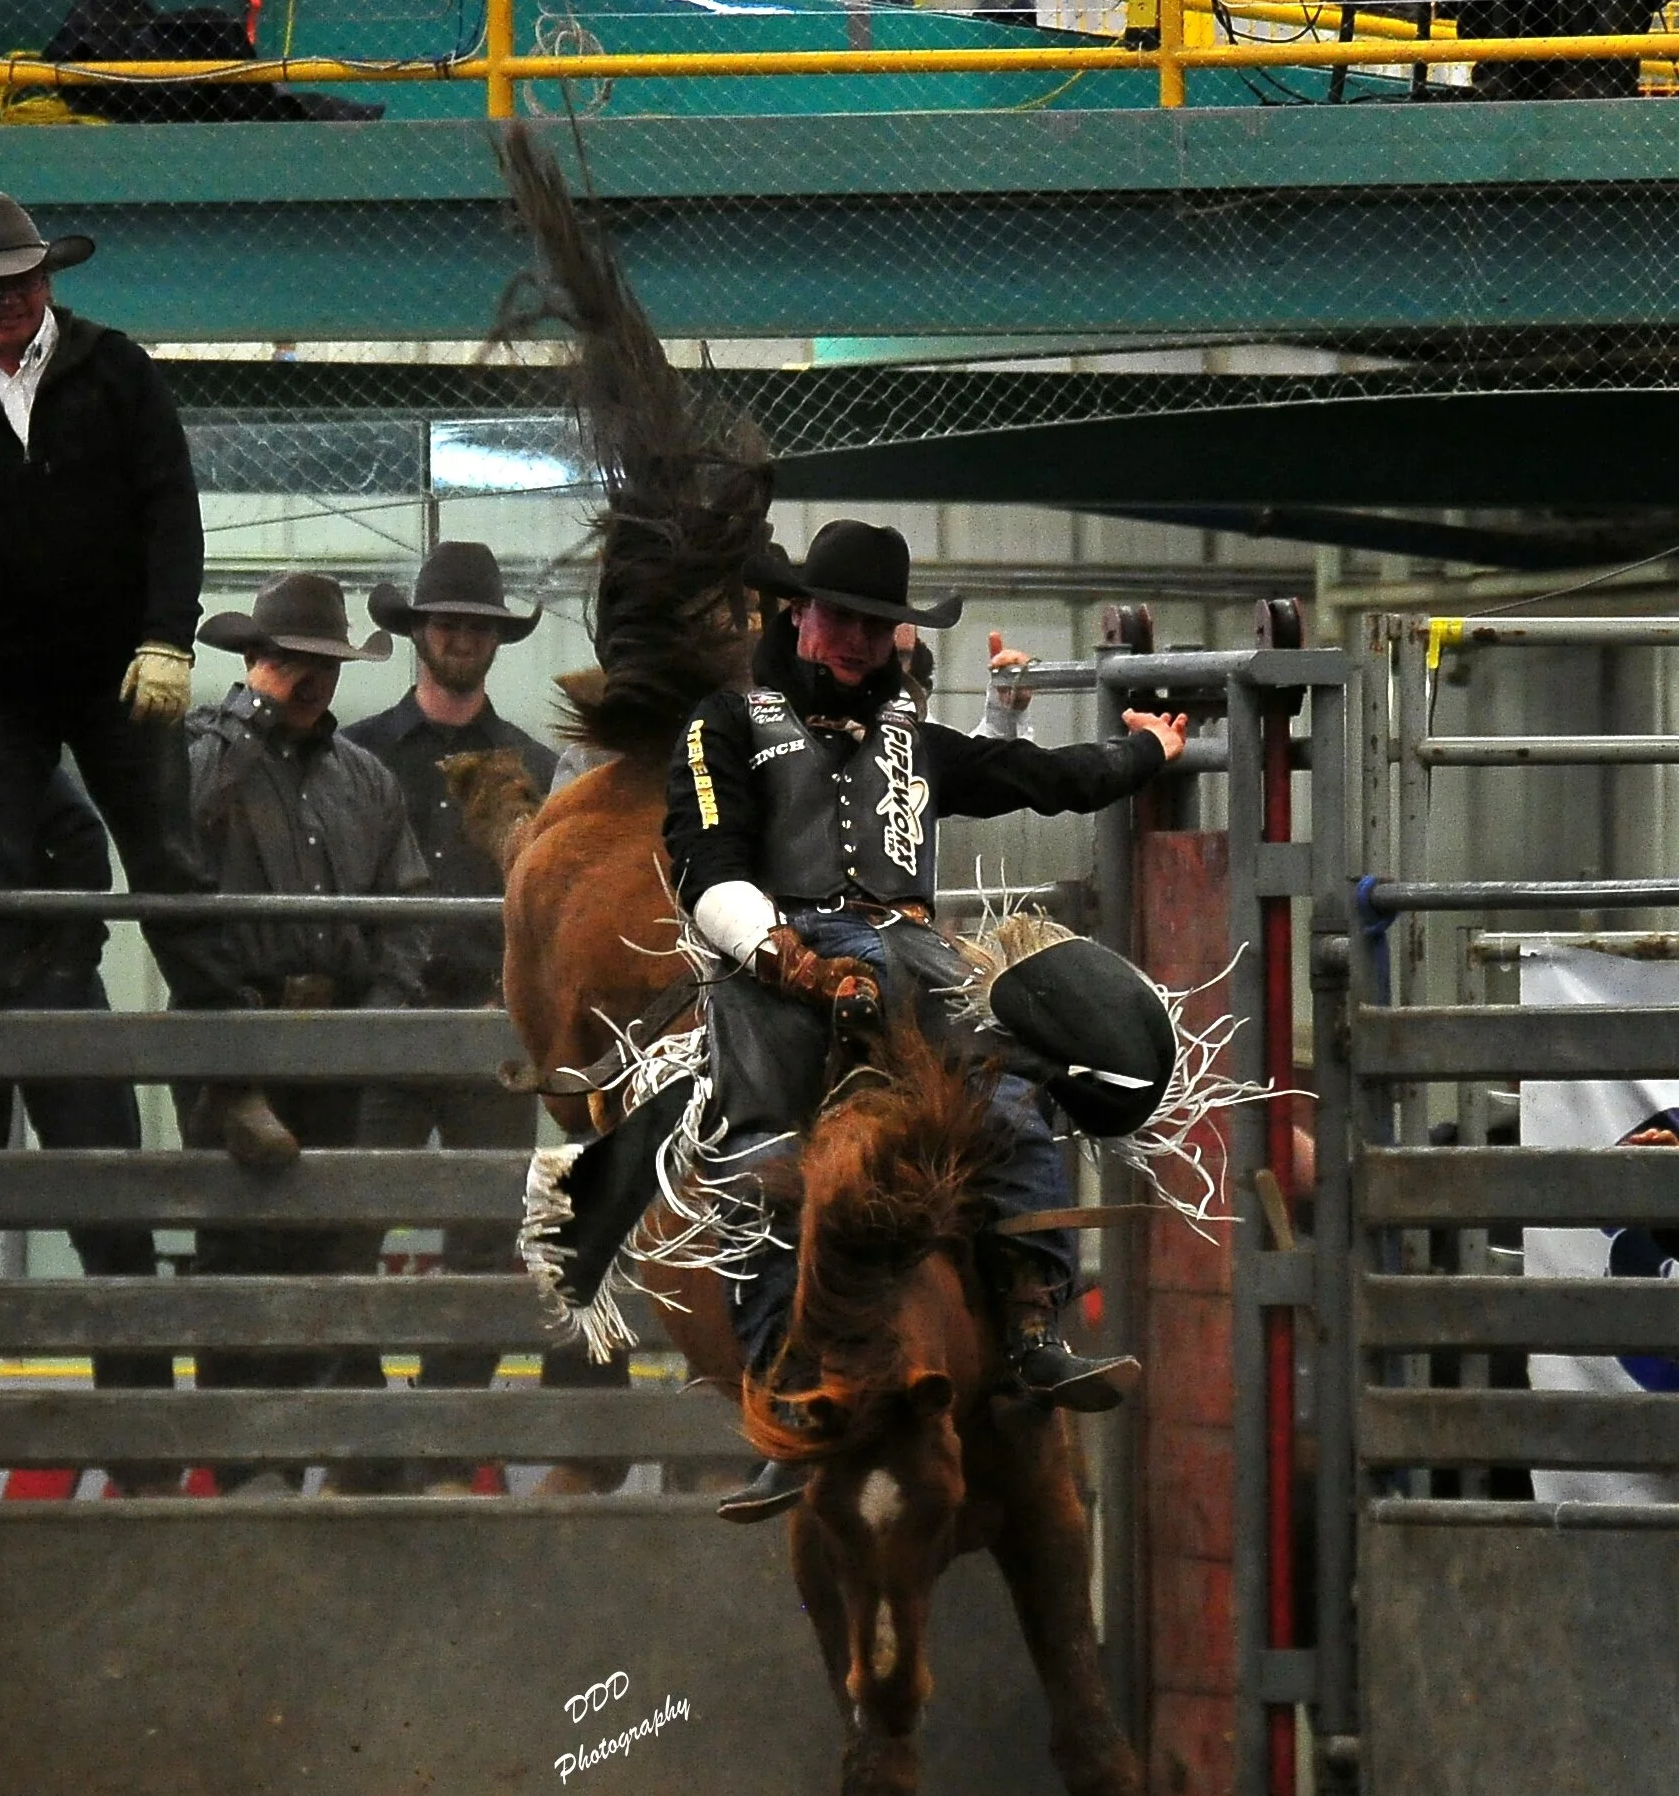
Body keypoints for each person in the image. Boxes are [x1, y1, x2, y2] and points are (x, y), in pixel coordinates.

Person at [662, 520, 1187, 1521]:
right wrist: (783, 954)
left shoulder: (910, 738)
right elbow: (704, 860)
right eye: (844, 616)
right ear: (800, 612)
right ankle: (782, 1392)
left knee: (1019, 1096)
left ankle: (1031, 1322)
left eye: (876, 622)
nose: (858, 637)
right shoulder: (728, 722)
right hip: (776, 957)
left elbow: (1034, 778)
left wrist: (1138, 754)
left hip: (911, 960)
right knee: (759, 1154)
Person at [0, 192, 261, 1152]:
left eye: (26, 282)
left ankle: (229, 1087)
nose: (12, 301)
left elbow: (172, 509)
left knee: (169, 864)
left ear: (48, 282)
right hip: (0, 675)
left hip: (124, 669)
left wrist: (168, 638)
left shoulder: (116, 371)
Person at [182, 573, 429, 1487]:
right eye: (290, 660)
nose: (308, 678)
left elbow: (405, 913)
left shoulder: (365, 779)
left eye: (321, 662)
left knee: (335, 1238)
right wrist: (251, 712)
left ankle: (348, 1463)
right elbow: (183, 827)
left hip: (337, 1030)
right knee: (236, 1244)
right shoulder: (204, 748)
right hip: (231, 1024)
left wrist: (377, 1019)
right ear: (254, 661)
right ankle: (247, 1464)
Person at [332, 542, 555, 1489]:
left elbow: (552, 904)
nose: (461, 636)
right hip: (385, 1026)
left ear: (496, 642)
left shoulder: (534, 769)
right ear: (420, 632)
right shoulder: (358, 755)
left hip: (486, 1033)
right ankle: (372, 1430)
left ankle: (436, 1423)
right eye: (447, 622)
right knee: (348, 1226)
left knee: (485, 1234)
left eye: (477, 625)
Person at [0, 763, 181, 1496]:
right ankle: (146, 1460)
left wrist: (58, 970)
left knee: (114, 1219)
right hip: (3, 987)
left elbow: (81, 838)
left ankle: (147, 1460)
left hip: (29, 986)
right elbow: (80, 838)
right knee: (110, 1221)